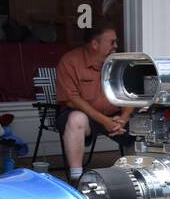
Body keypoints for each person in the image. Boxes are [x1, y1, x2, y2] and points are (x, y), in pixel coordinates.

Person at [55, 22, 134, 183]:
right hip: (86, 116)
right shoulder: (70, 61)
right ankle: (76, 177)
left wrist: (125, 117)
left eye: (116, 42)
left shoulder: (120, 61)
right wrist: (104, 121)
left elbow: (131, 93)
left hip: (116, 116)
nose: (116, 46)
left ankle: (139, 173)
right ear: (95, 44)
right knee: (76, 118)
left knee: (144, 119)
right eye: (112, 42)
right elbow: (72, 99)